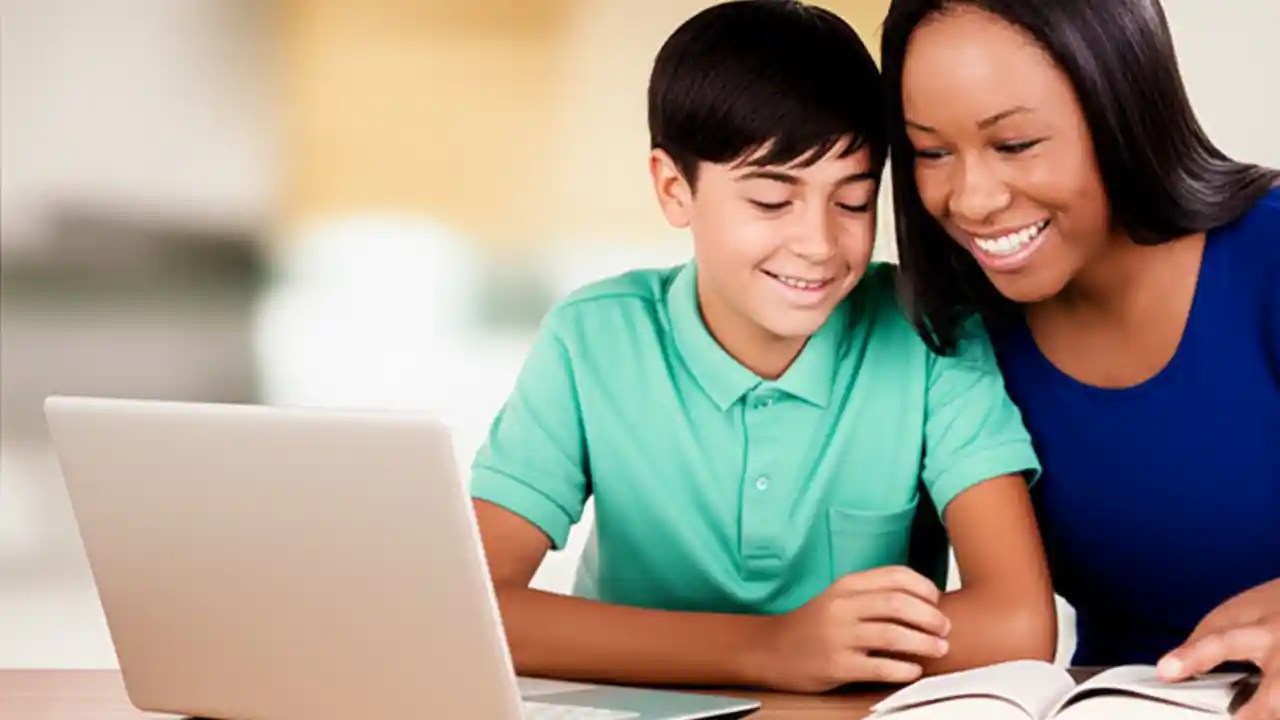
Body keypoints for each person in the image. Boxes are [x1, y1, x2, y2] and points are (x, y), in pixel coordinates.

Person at [467, 0, 1054, 694]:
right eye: (773, 202)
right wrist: (768, 649)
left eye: (853, 201)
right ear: (673, 187)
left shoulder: (929, 334)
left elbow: (1018, 623)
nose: (818, 243)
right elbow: (469, 608)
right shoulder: (592, 340)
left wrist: (816, 655)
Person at [880, 0, 1280, 716]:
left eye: (1016, 143)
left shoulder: (1269, 257)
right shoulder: (959, 332)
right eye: (932, 152)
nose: (971, 198)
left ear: (1124, 110)